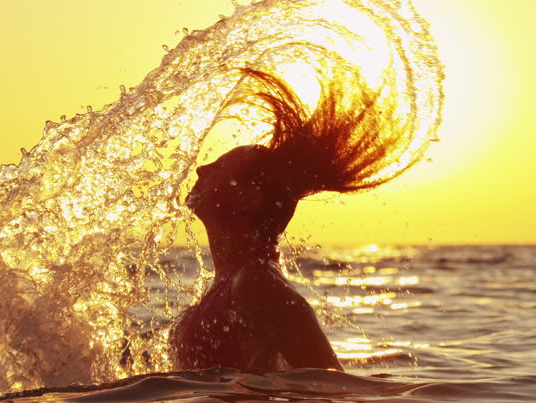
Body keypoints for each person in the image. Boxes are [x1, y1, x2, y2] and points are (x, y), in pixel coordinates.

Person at [170, 69, 406, 372]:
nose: (202, 169)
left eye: (219, 166)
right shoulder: (231, 282)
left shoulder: (257, 284)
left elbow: (331, 387)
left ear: (247, 199)